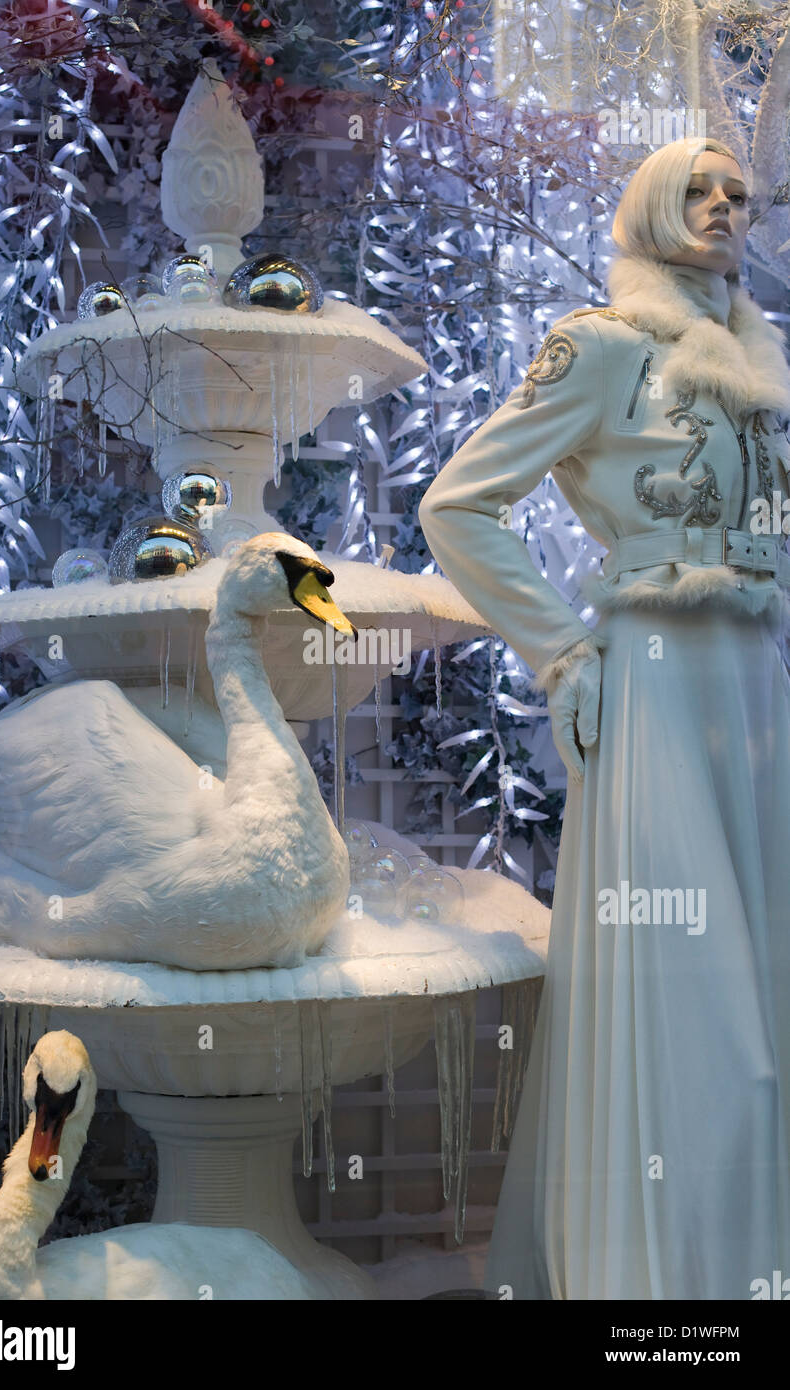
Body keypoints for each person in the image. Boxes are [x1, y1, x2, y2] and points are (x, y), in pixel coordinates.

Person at [418, 136, 790, 1300]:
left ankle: (744, 1276)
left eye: (738, 191)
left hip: (751, 685)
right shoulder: (599, 346)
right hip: (656, 680)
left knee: (765, 989)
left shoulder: (760, 361)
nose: (725, 204)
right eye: (698, 186)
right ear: (647, 203)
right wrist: (560, 650)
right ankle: (659, 1285)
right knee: (696, 994)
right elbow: (456, 504)